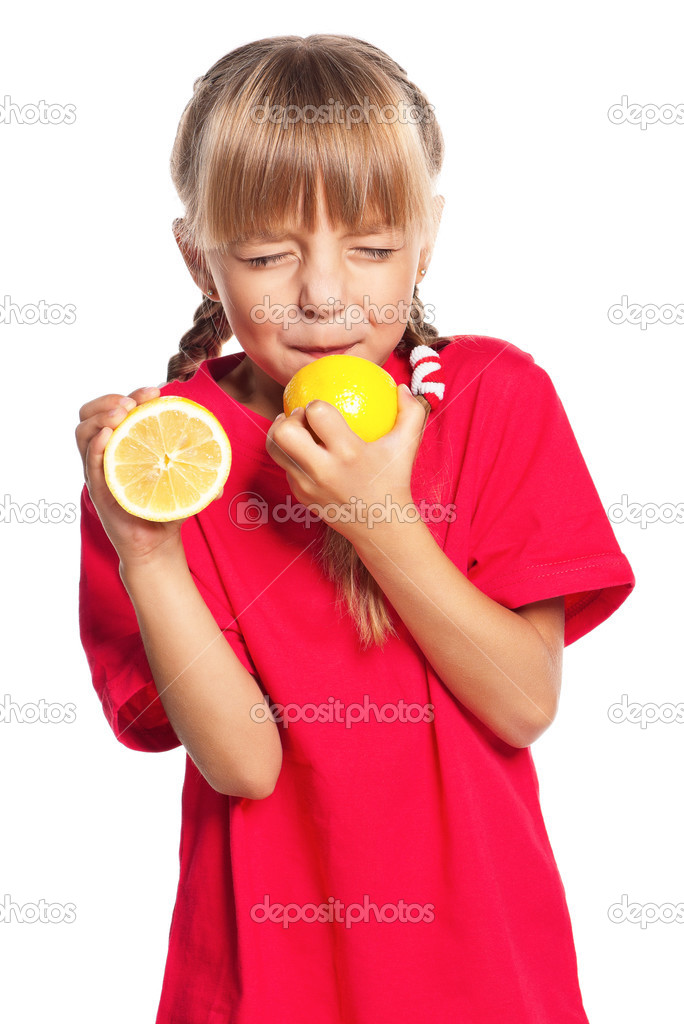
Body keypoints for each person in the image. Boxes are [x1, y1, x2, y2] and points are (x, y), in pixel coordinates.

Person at [75, 34, 635, 1024]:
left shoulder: (495, 400)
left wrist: (381, 521)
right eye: (265, 255)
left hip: (484, 980)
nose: (326, 296)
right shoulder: (164, 462)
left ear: (428, 241)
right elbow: (242, 764)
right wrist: (148, 552)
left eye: (372, 249)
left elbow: (522, 701)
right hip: (262, 987)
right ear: (198, 256)